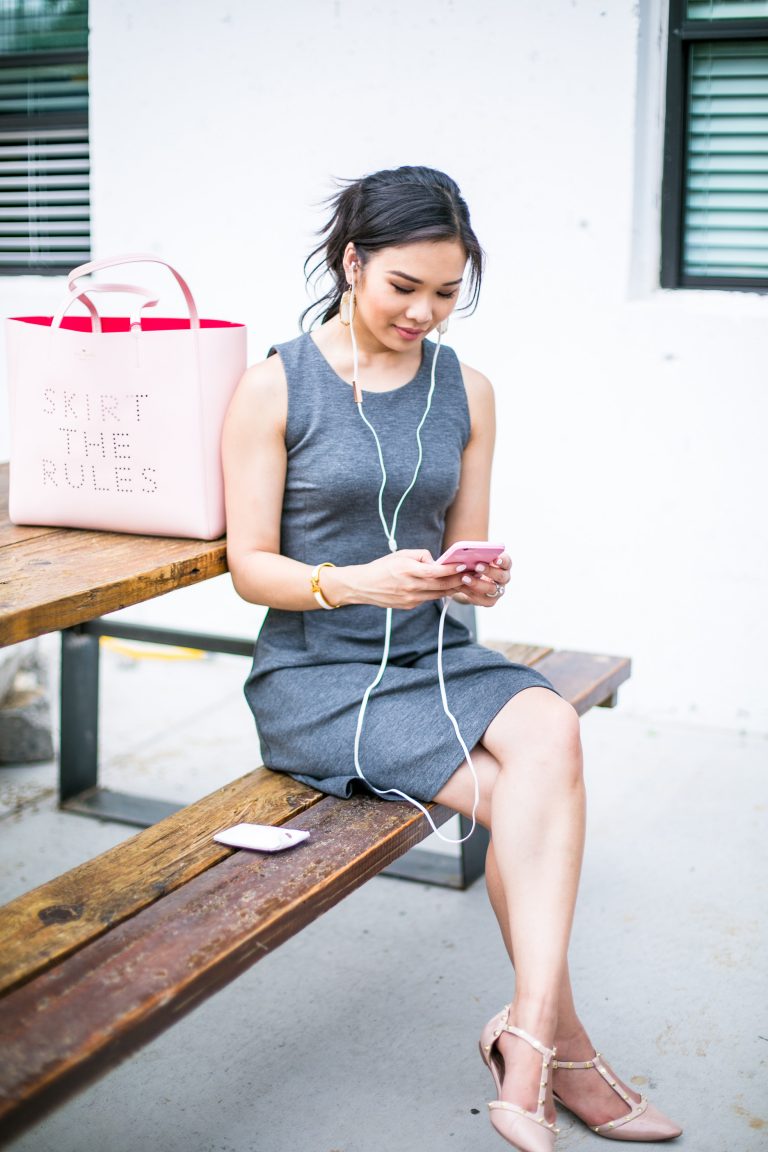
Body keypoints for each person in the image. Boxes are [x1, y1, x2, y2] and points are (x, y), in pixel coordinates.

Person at [221, 165, 682, 1152]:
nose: (423, 313)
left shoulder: (466, 387)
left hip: (434, 656)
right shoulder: (275, 384)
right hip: (319, 678)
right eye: (403, 288)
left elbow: (464, 543)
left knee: (549, 727)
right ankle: (561, 1054)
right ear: (352, 262)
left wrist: (473, 581)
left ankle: (529, 1042)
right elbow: (250, 570)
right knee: (529, 798)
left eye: (446, 293)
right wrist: (353, 582)